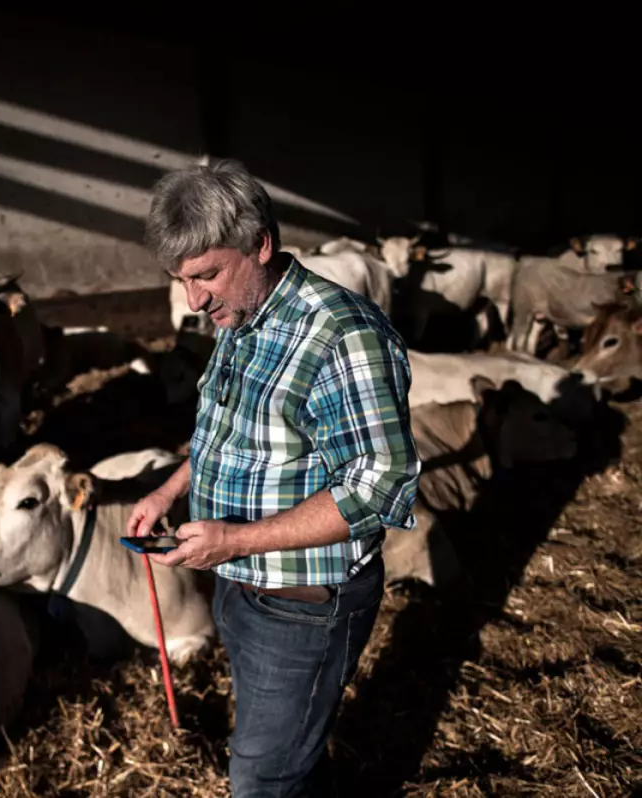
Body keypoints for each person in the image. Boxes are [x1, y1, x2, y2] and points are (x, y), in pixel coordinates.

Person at [128, 158, 421, 797]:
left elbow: (382, 485)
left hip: (303, 603)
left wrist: (232, 542)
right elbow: (233, 436)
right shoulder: (244, 315)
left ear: (260, 243)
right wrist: (170, 489)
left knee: (262, 777)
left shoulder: (341, 335)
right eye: (181, 279)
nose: (193, 301)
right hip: (241, 582)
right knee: (285, 748)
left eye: (206, 275)